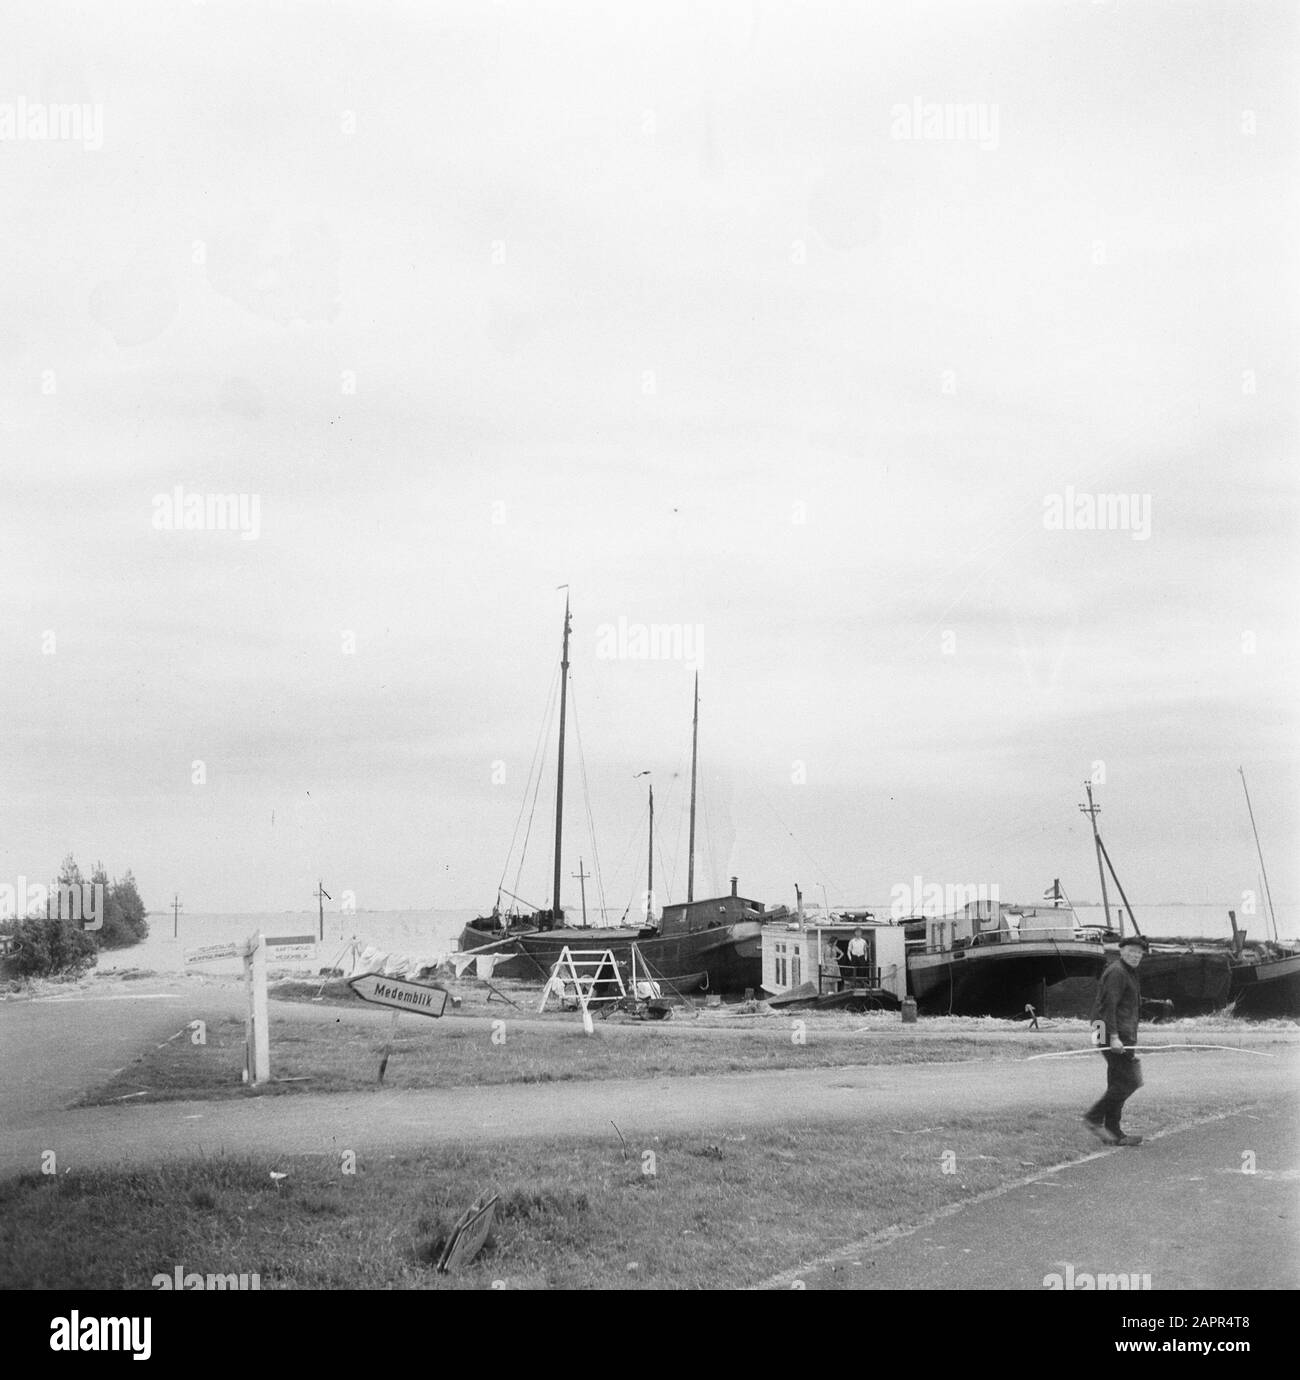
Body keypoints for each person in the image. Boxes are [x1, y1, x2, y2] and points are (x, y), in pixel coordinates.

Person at [1083, 935, 1147, 1146]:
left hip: (1114, 1031)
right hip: (1110, 1031)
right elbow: (1108, 1006)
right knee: (1130, 1081)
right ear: (1122, 951)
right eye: (1131, 950)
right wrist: (1114, 1037)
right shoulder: (1117, 972)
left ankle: (1113, 1132)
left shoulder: (1128, 972)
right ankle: (1094, 1117)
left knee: (1118, 1080)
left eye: (1139, 952)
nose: (1136, 955)